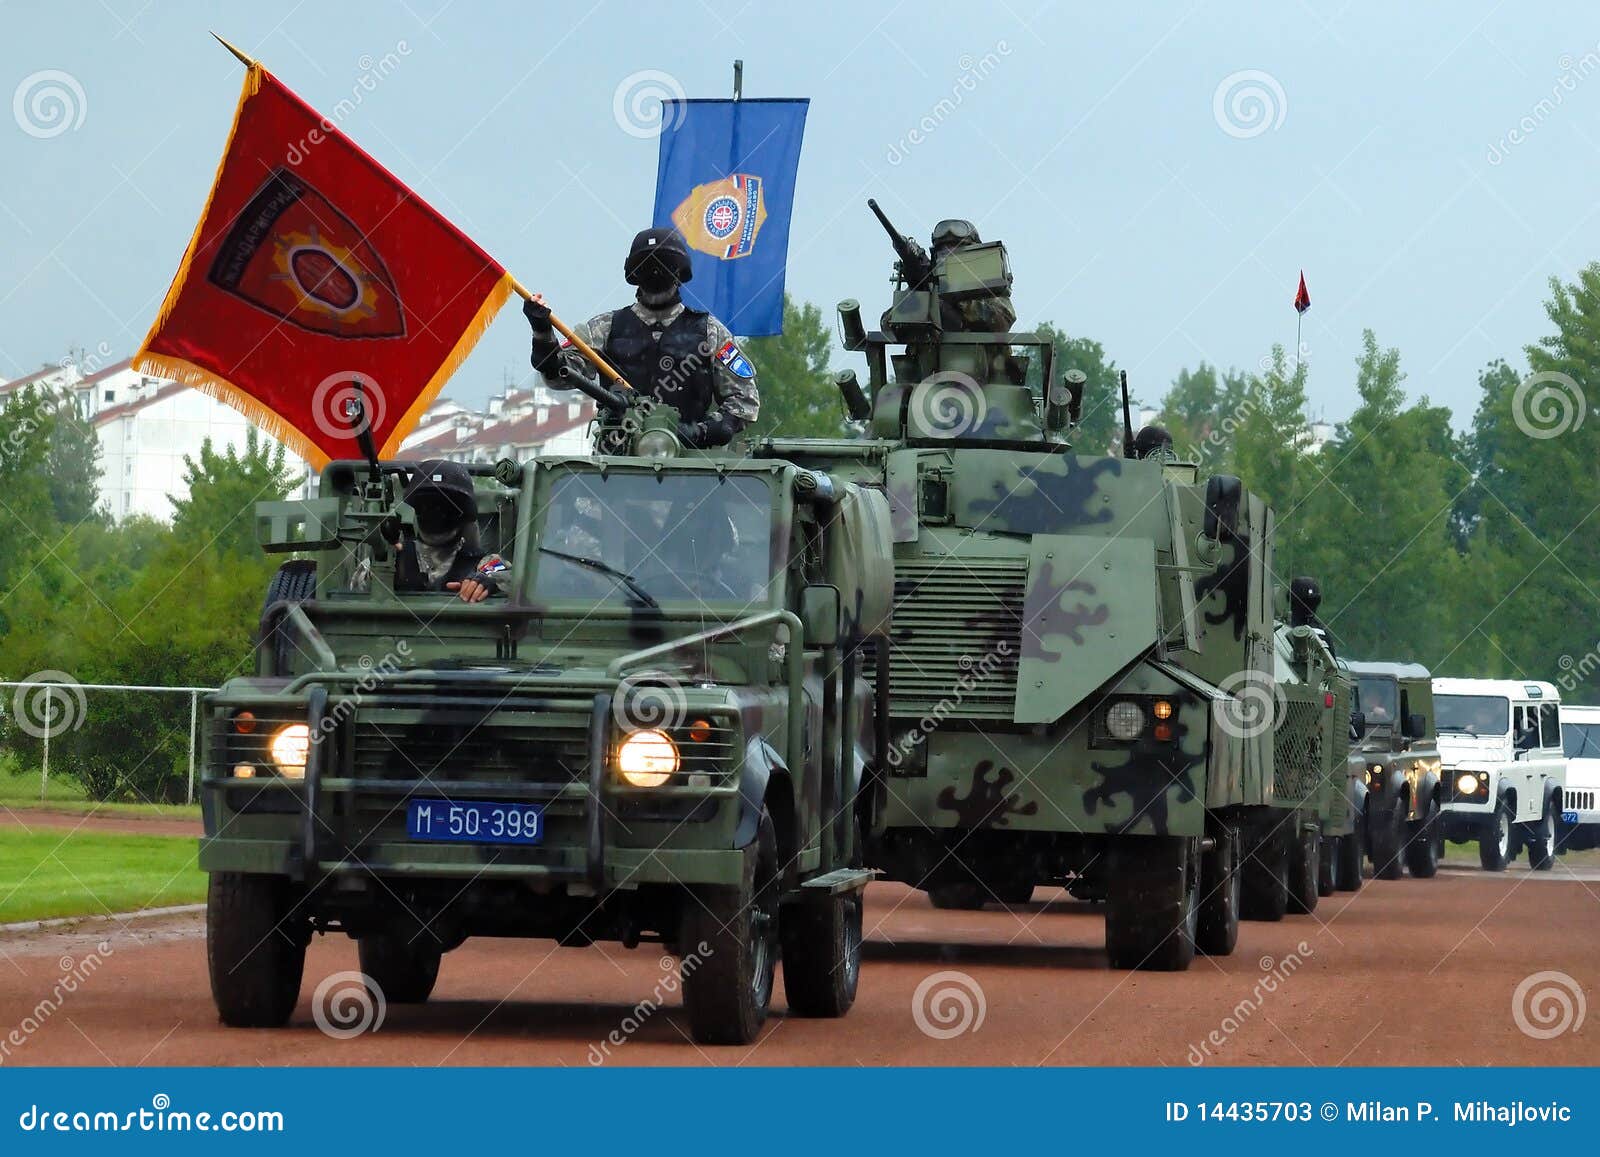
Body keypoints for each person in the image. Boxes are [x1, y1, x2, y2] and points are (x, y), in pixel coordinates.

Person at [523, 227, 759, 449]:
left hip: (691, 463)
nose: (655, 274)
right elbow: (560, 377)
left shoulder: (711, 332)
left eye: (664, 267)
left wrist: (699, 432)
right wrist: (543, 333)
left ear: (679, 273)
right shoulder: (603, 328)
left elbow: (744, 402)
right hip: (615, 463)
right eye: (648, 268)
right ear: (635, 275)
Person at [394, 460, 507, 601]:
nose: (436, 512)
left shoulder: (485, 563)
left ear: (464, 513)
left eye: (446, 505)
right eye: (427, 504)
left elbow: (505, 573)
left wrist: (485, 580)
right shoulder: (390, 559)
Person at [930, 218, 1016, 333]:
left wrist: (958, 302)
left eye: (956, 250)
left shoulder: (987, 282)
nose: (950, 256)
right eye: (944, 251)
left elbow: (1003, 322)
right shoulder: (929, 283)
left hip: (980, 350)